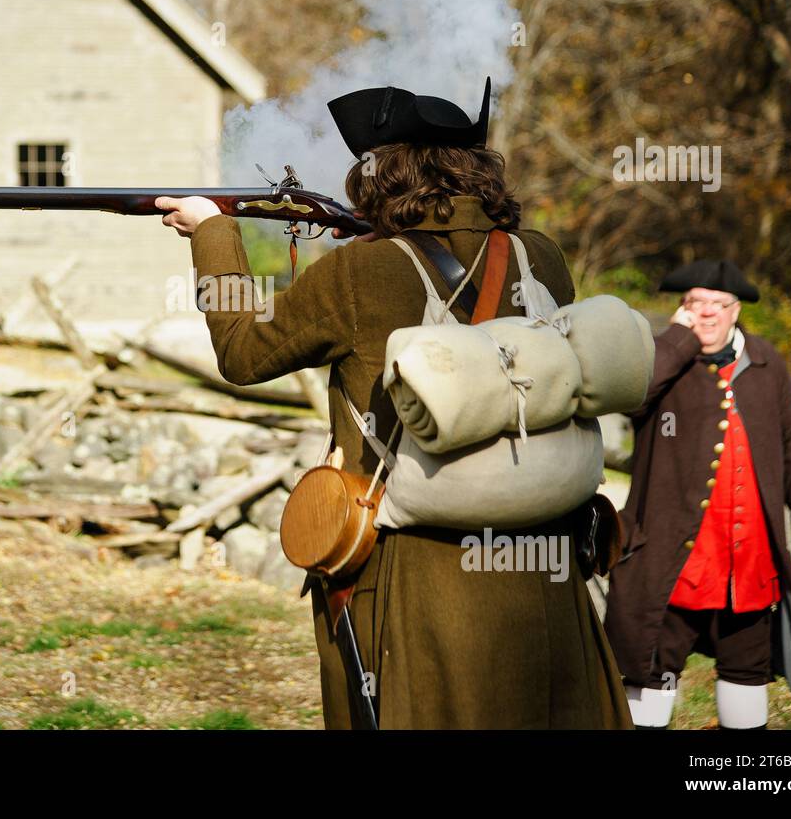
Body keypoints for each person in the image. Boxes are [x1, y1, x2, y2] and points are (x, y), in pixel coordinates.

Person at [155, 82, 631, 729]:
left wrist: (212, 233)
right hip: (546, 565)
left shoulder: (360, 270)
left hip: (420, 574)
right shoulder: (538, 255)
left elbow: (242, 354)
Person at [604, 260, 791, 729]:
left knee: (746, 675)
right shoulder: (660, 358)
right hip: (672, 563)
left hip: (749, 566)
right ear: (681, 310)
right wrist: (677, 340)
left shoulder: (766, 363)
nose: (706, 313)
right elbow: (632, 395)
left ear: (735, 309)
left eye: (716, 304)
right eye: (694, 303)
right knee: (651, 675)